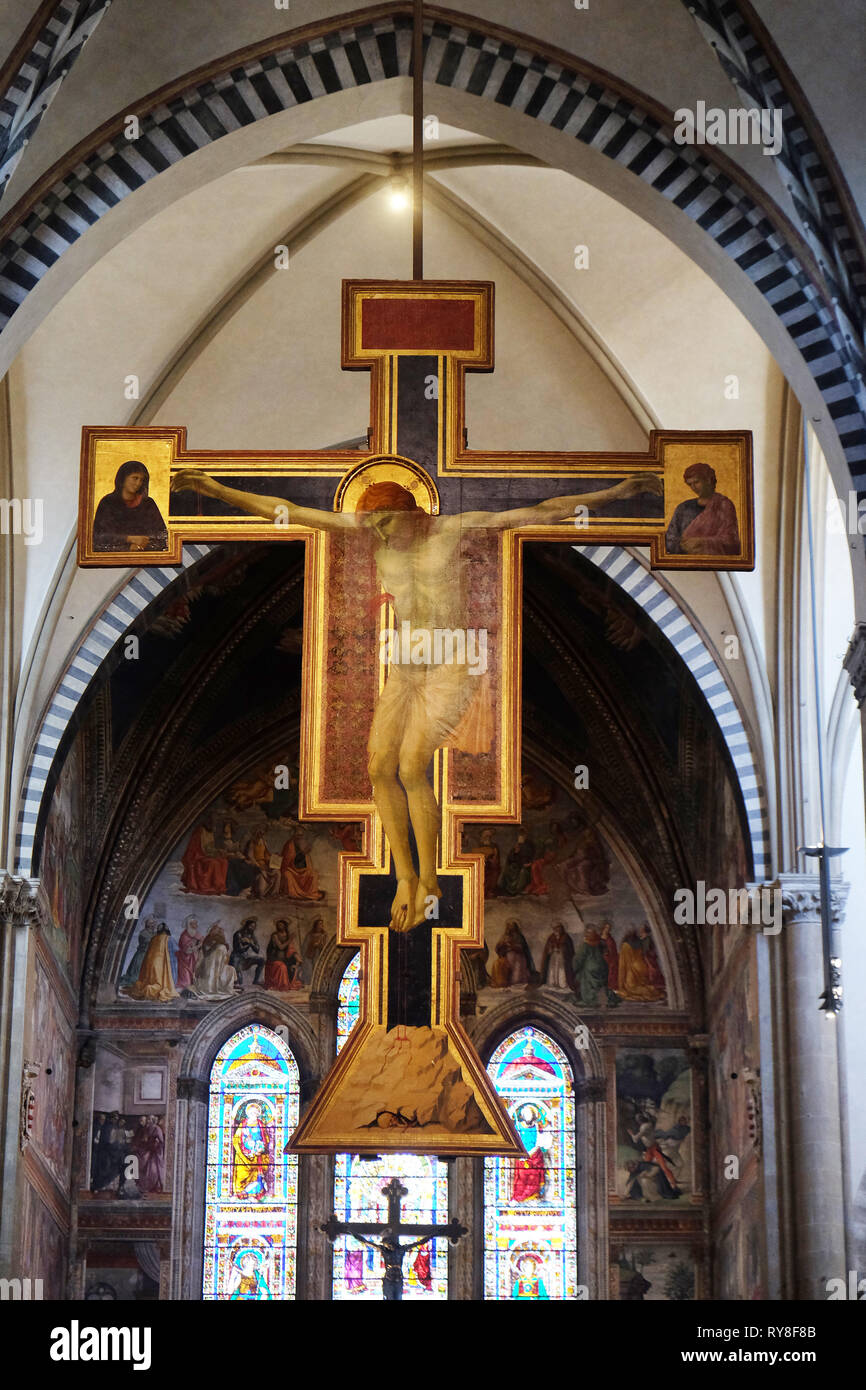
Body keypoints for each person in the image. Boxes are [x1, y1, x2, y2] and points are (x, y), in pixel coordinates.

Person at [172, 465, 662, 930]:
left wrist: (616, 494)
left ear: (411, 512)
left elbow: (543, 511)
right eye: (373, 524)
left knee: (411, 766)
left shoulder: (454, 531)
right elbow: (286, 510)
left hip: (452, 660)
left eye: (385, 520)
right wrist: (214, 489)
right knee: (378, 767)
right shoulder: (377, 537)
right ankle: (404, 876)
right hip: (406, 665)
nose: (379, 532)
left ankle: (429, 879)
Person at [664, 461, 740, 556]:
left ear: (708, 480)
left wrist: (701, 542)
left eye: (696, 482)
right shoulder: (683, 508)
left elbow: (731, 541)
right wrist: (683, 545)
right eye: (690, 484)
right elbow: (670, 538)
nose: (693, 487)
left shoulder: (724, 505)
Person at [92, 459, 168, 553]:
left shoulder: (148, 504)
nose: (138, 483)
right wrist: (129, 539)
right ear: (123, 478)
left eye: (142, 480)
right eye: (135, 478)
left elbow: (162, 537)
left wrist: (143, 545)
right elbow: (99, 538)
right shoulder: (108, 503)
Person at [125, 923, 178, 1002]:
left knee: (151, 980)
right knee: (161, 983)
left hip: (150, 963)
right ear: (167, 931)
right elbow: (176, 949)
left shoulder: (153, 938)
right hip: (160, 964)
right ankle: (151, 989)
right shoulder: (169, 938)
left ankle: (149, 988)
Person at [231, 1101, 272, 1200]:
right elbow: (236, 1138)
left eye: (255, 1112)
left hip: (258, 1154)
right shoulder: (243, 1124)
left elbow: (265, 1138)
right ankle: (240, 1193)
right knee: (242, 1173)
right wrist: (242, 1150)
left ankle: (254, 1195)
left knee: (256, 1174)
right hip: (243, 1155)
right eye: (251, 1112)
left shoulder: (260, 1124)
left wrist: (261, 1148)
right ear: (248, 1113)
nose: (253, 1114)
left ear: (258, 1113)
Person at [188, 922, 237, 999]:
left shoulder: (206, 944)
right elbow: (222, 962)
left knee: (230, 969)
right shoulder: (221, 947)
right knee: (231, 969)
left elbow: (200, 960)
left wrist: (197, 972)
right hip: (211, 973)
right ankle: (220, 987)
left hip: (205, 972)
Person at [573, 927, 618, 1006]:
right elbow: (606, 952)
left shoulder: (585, 945)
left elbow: (579, 958)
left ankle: (590, 999)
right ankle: (607, 999)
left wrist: (575, 967)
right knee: (603, 983)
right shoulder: (601, 942)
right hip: (603, 967)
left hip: (590, 969)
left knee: (583, 976)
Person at [618, 928, 665, 1002]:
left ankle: (652, 990)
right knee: (642, 984)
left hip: (633, 968)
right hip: (643, 966)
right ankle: (652, 989)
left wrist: (621, 983)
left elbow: (623, 963)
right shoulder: (641, 942)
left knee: (631, 987)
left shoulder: (625, 946)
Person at [180, 822, 228, 895]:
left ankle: (219, 886)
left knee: (224, 861)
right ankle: (208, 886)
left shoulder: (211, 831)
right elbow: (198, 848)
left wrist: (217, 852)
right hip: (198, 856)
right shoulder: (200, 831)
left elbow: (210, 847)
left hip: (207, 854)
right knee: (214, 863)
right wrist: (210, 853)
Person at [279, 829, 324, 900]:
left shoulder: (302, 844)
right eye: (298, 835)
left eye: (301, 836)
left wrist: (304, 854)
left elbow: (306, 860)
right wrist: (302, 854)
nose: (299, 838)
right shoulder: (289, 845)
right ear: (293, 836)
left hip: (302, 870)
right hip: (292, 870)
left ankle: (311, 893)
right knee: (287, 875)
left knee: (314, 873)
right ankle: (293, 894)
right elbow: (287, 861)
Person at [263, 919, 302, 991]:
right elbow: (281, 947)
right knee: (282, 967)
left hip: (284, 959)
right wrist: (290, 939)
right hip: (273, 959)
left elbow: (291, 949)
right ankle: (282, 985)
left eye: (281, 925)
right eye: (278, 925)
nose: (279, 926)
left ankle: (288, 983)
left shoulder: (287, 936)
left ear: (285, 926)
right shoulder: (275, 936)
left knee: (292, 964)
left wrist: (297, 957)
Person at [119, 916, 157, 987]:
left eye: (154, 923)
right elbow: (147, 942)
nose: (153, 925)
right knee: (138, 970)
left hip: (150, 955)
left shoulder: (153, 933)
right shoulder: (143, 933)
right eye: (151, 923)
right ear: (147, 924)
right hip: (142, 954)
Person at [498, 829, 535, 897]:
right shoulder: (516, 846)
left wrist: (530, 863)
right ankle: (506, 890)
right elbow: (510, 859)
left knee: (522, 872)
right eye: (520, 835)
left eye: (522, 835)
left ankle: (518, 890)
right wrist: (515, 853)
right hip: (516, 866)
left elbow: (533, 857)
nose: (521, 837)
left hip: (526, 867)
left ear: (526, 836)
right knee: (508, 870)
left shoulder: (530, 846)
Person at [230, 918, 265, 987]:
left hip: (245, 958)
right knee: (239, 982)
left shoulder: (251, 936)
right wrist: (249, 944)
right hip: (236, 958)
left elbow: (257, 950)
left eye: (254, 927)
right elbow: (240, 949)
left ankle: (256, 981)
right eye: (251, 926)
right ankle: (237, 984)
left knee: (261, 960)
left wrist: (250, 943)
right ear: (246, 926)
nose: (252, 928)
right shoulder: (238, 934)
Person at [541, 921, 575, 990]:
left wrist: (562, 949)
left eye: (558, 928)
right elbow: (548, 947)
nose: (556, 930)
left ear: (561, 928)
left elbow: (569, 949)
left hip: (562, 957)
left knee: (561, 970)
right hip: (553, 956)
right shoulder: (551, 937)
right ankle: (552, 983)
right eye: (555, 928)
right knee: (553, 969)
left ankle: (562, 984)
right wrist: (551, 948)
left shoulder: (566, 937)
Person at [175, 915, 203, 989]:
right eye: (195, 923)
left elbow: (203, 941)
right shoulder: (184, 936)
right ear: (190, 924)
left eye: (196, 923)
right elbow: (187, 951)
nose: (197, 925)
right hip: (185, 961)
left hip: (195, 959)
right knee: (186, 982)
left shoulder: (197, 933)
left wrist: (200, 944)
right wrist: (197, 946)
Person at [301, 916, 327, 986]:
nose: (321, 926)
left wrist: (319, 945)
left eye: (322, 924)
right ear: (316, 925)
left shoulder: (323, 935)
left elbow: (324, 946)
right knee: (309, 968)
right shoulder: (310, 935)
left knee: (317, 967)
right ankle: (308, 982)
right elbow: (305, 946)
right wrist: (312, 944)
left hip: (318, 953)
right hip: (309, 953)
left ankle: (316, 984)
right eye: (319, 924)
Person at [477, 827, 501, 898]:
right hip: (481, 865)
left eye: (489, 836)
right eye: (485, 835)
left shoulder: (494, 846)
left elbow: (496, 858)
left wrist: (492, 860)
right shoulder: (479, 845)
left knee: (494, 871)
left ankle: (490, 891)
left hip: (491, 865)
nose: (487, 837)